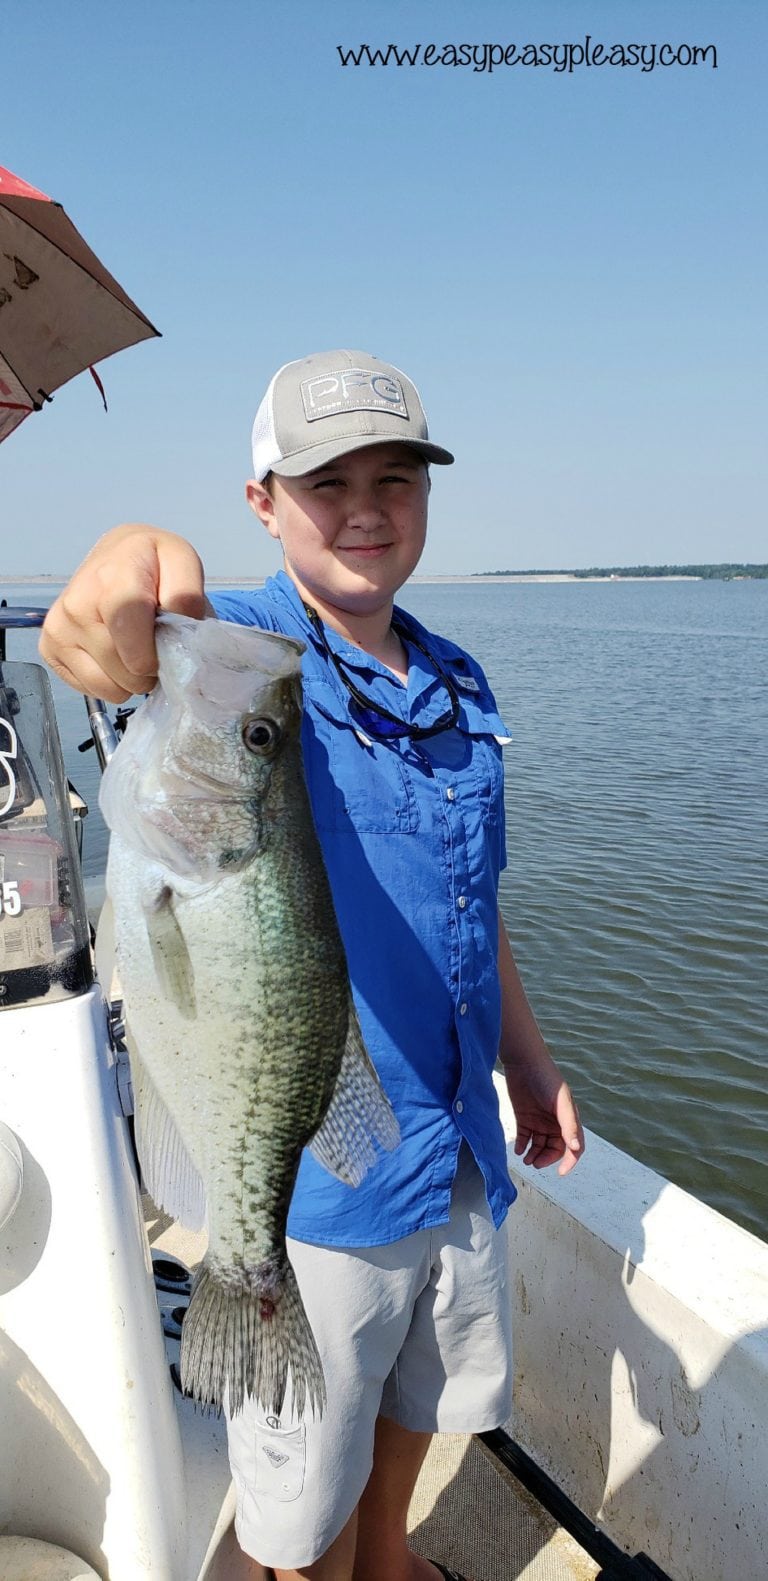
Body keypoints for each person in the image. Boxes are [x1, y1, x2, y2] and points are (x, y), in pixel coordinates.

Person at [40, 349, 584, 1581]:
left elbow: (472, 903)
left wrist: (529, 1063)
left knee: (416, 1398)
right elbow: (118, 628)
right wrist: (128, 561)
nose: (366, 506)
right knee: (299, 1498)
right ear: (262, 504)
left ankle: (388, 1560)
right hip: (318, 1190)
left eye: (397, 477)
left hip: (452, 1140)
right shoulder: (239, 658)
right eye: (324, 479)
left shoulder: (458, 681)